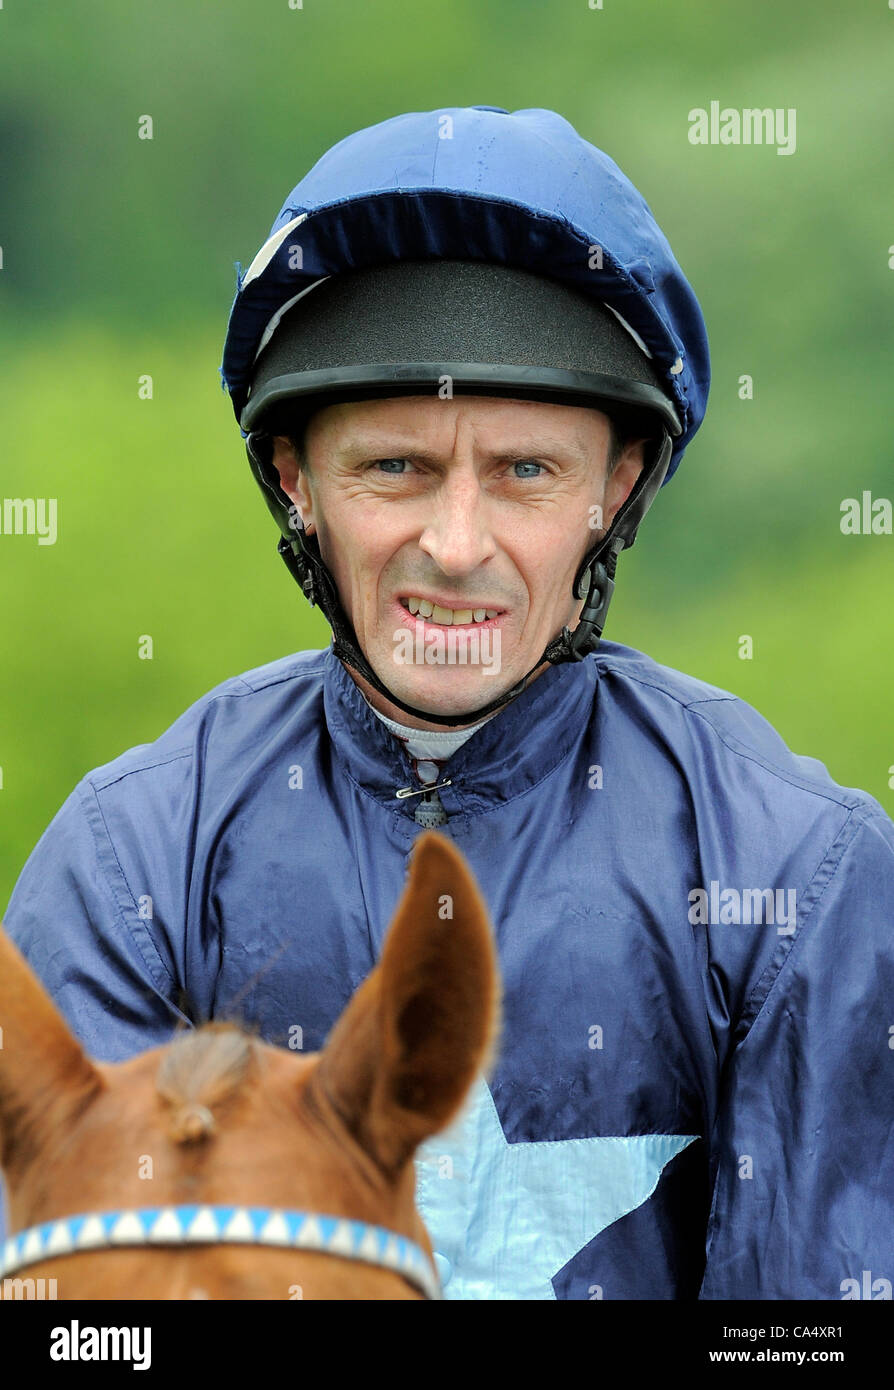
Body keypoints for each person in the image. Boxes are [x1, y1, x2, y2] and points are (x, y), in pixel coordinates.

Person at [3, 105, 893, 1300]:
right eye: (395, 468)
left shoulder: (799, 868)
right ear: (295, 480)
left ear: (615, 485)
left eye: (526, 472)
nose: (456, 544)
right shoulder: (132, 859)